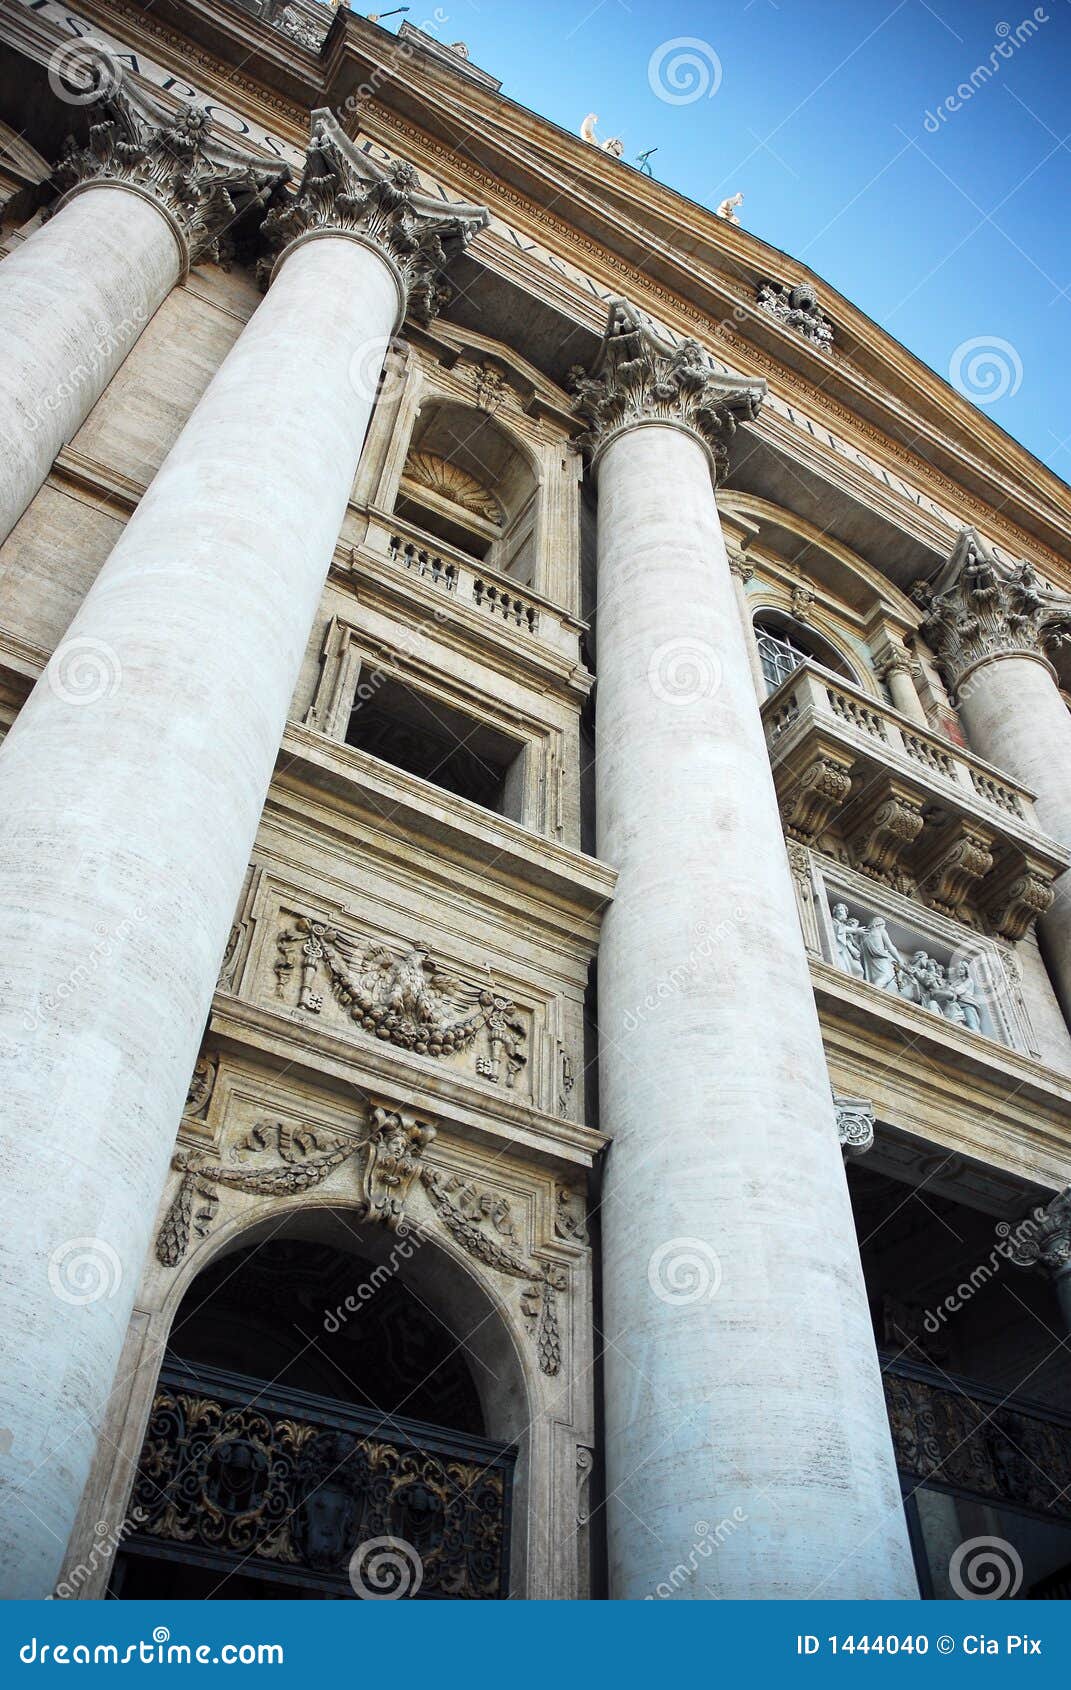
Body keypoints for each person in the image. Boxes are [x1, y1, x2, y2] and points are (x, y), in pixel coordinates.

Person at [831, 902, 864, 977]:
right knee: (843, 970)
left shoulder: (842, 925)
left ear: (846, 914)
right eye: (838, 910)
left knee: (855, 970)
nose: (840, 912)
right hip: (838, 951)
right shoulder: (833, 922)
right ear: (835, 913)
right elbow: (839, 929)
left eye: (842, 910)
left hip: (844, 952)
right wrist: (855, 930)